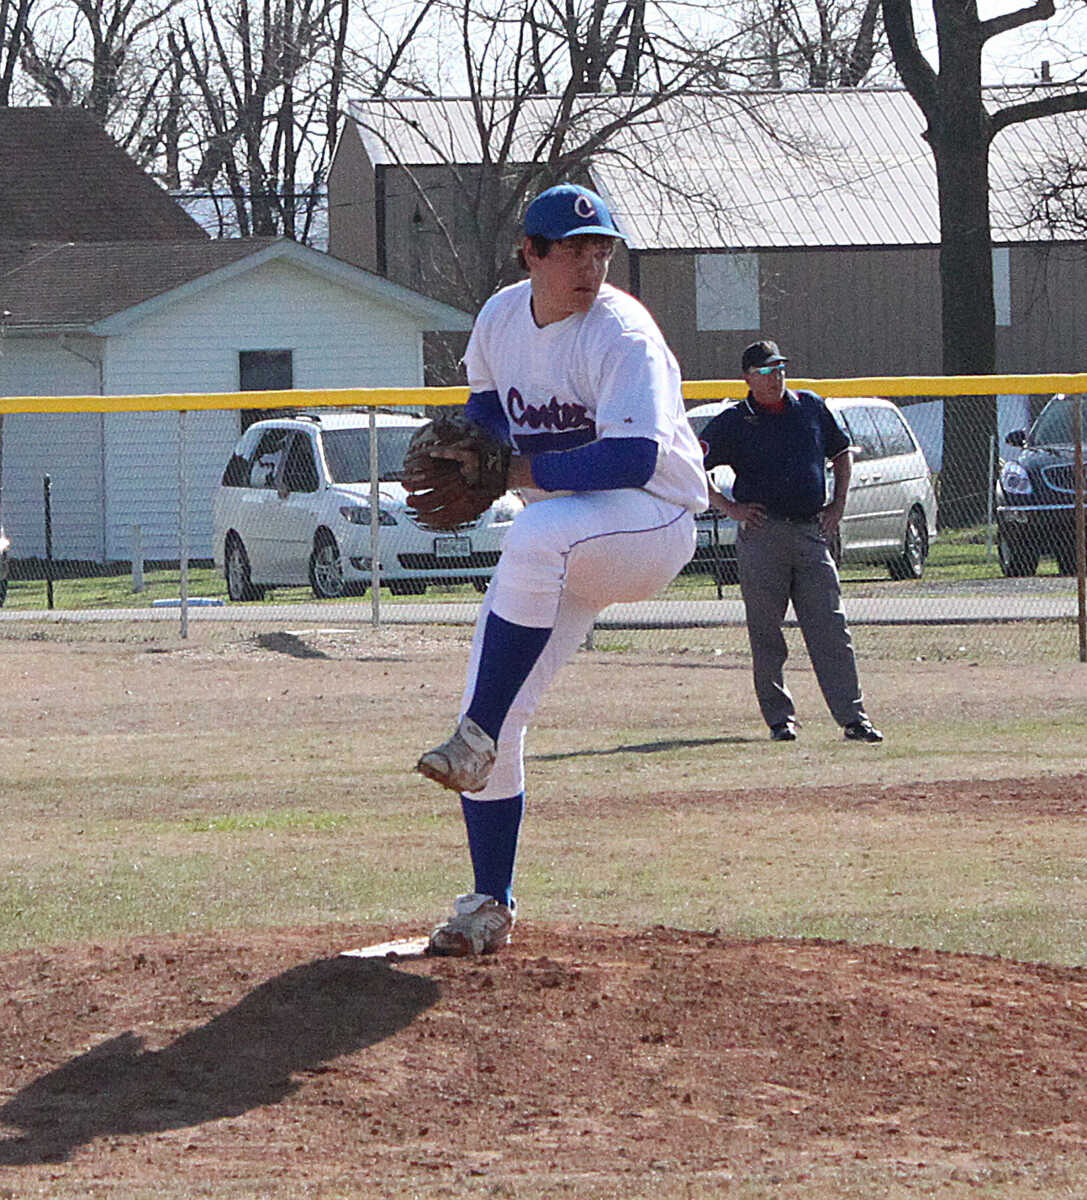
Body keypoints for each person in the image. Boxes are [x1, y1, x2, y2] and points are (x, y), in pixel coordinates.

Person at [414, 182, 709, 956]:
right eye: (573, 250)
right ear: (531, 254)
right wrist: (467, 447)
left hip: (649, 521)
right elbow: (486, 408)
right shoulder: (502, 316)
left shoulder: (621, 333)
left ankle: (472, 736)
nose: (589, 264)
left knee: (535, 531)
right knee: (499, 706)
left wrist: (508, 473)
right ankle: (488, 903)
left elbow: (632, 455)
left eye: (600, 249)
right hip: (572, 538)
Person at [700, 339, 883, 746]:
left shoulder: (810, 407)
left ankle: (854, 718)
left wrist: (837, 504)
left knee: (831, 629)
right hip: (763, 534)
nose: (774, 377)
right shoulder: (735, 420)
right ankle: (780, 719)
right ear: (748, 378)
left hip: (809, 531)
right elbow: (692, 463)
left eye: (779, 368)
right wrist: (730, 507)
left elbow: (842, 453)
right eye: (765, 371)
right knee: (767, 633)